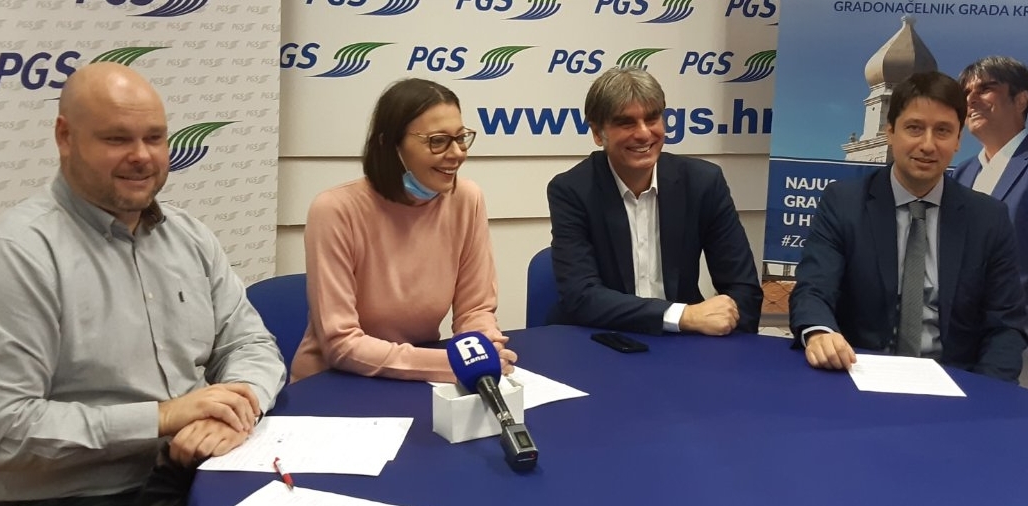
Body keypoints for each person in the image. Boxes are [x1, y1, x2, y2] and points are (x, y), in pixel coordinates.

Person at [0, 62, 286, 504]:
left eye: (155, 137)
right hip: (73, 494)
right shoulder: (12, 256)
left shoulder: (189, 236)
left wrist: (236, 406)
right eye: (116, 139)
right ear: (65, 137)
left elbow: (249, 344)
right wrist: (163, 418)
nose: (142, 156)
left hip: (193, 470)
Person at [789, 71, 1028, 382]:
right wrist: (820, 333)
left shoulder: (988, 218)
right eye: (914, 128)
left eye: (943, 131)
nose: (928, 145)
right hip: (858, 375)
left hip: (956, 383)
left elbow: (1005, 326)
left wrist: (982, 393)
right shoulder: (843, 203)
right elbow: (814, 290)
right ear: (890, 132)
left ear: (958, 140)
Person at [290, 78, 516, 383]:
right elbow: (340, 343)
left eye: (461, 138)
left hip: (420, 375)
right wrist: (449, 365)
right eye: (438, 141)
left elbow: (474, 309)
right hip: (335, 382)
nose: (457, 153)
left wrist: (484, 346)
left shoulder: (466, 199)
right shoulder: (335, 210)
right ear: (390, 145)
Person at [546, 67, 762, 336]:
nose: (644, 133)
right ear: (598, 133)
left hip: (685, 344)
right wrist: (682, 315)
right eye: (626, 123)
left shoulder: (703, 182)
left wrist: (724, 340)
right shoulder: (572, 190)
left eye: (652, 119)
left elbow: (743, 290)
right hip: (603, 339)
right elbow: (581, 297)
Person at [951, 57, 1028, 382]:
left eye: (985, 89)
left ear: (1021, 99)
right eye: (966, 92)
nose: (970, 99)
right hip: (960, 344)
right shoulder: (961, 174)